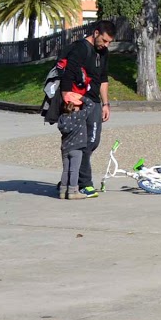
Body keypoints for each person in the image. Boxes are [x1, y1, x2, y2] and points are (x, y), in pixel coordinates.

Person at [59, 20, 116, 198]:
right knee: (79, 143)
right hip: (78, 103)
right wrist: (69, 105)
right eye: (105, 41)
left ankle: (70, 181)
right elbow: (67, 77)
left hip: (95, 103)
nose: (106, 45)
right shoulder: (81, 48)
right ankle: (83, 183)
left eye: (109, 42)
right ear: (96, 33)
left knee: (93, 141)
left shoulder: (103, 52)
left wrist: (105, 104)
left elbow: (103, 78)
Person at [55, 86, 92, 200]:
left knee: (66, 170)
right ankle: (73, 191)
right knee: (74, 170)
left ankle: (63, 191)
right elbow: (91, 105)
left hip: (65, 148)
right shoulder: (80, 116)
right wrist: (82, 97)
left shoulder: (62, 118)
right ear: (77, 105)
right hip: (77, 147)